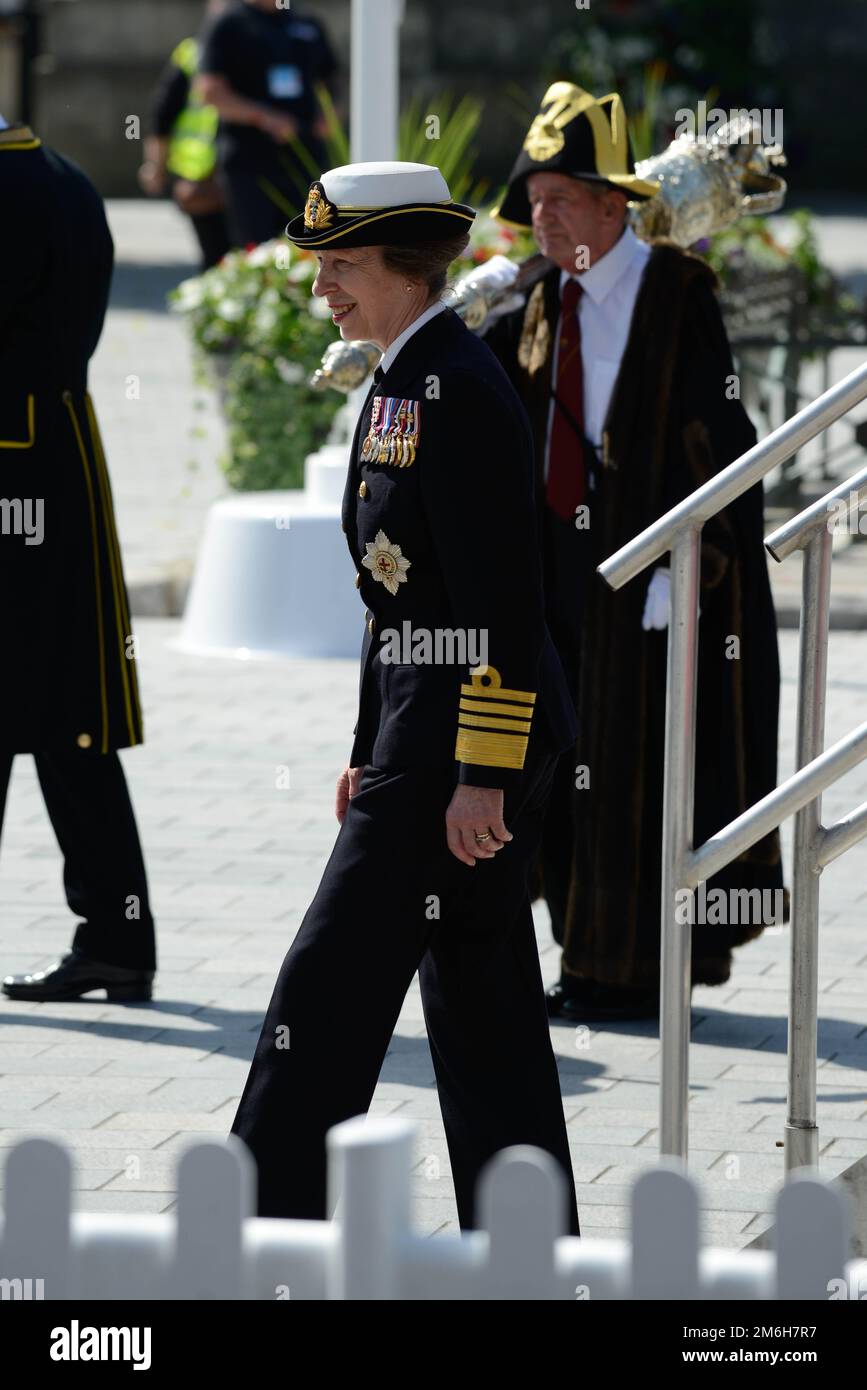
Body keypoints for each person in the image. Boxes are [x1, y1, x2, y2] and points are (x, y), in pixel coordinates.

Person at [229, 161, 581, 1235]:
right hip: (416, 740)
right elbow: (394, 600)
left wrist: (479, 776)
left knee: (326, 988)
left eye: (339, 265)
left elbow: (499, 606)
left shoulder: (458, 389)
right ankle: (531, 1242)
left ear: (401, 265)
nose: (323, 287)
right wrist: (364, 745)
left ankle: (249, 1225)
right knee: (485, 1013)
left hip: (453, 753)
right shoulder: (402, 374)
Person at [484, 84, 785, 1022]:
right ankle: (577, 954)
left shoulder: (675, 294)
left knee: (633, 772)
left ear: (615, 206)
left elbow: (719, 433)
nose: (541, 216)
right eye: (532, 201)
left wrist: (692, 560)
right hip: (547, 570)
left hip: (644, 567)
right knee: (551, 765)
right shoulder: (530, 300)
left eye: (561, 198)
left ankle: (615, 971)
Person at [0, 117, 156, 1004]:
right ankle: (116, 936)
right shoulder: (67, 178)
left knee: (64, 724)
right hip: (60, 459)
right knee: (74, 723)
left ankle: (115, 936)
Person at [197, 0, 338, 248]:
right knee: (255, 250)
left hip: (305, 157)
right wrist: (263, 118)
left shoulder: (306, 23)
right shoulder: (228, 23)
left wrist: (330, 114)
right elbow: (210, 92)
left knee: (311, 245)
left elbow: (331, 80)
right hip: (249, 162)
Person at [138, 1, 232, 271]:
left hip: (245, 172)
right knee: (215, 255)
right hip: (202, 174)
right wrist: (156, 165)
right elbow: (163, 114)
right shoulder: (192, 53)